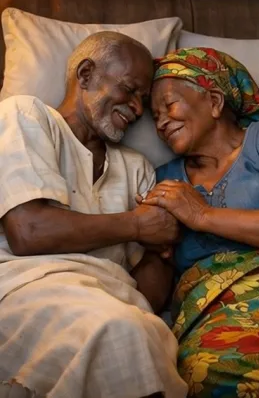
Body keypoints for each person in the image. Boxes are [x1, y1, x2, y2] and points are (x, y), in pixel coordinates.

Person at [0, 32, 188, 398]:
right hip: (27, 289)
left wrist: (160, 249)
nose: (137, 110)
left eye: (143, 100)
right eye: (129, 90)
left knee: (138, 329)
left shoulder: (137, 168)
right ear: (85, 74)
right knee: (119, 330)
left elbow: (149, 292)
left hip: (114, 304)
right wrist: (138, 224)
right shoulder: (25, 115)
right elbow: (28, 230)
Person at [140, 48, 259, 398]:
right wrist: (151, 244)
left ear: (214, 102)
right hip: (210, 312)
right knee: (212, 373)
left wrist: (201, 216)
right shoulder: (161, 180)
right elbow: (153, 290)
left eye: (169, 106)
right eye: (154, 116)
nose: (161, 123)